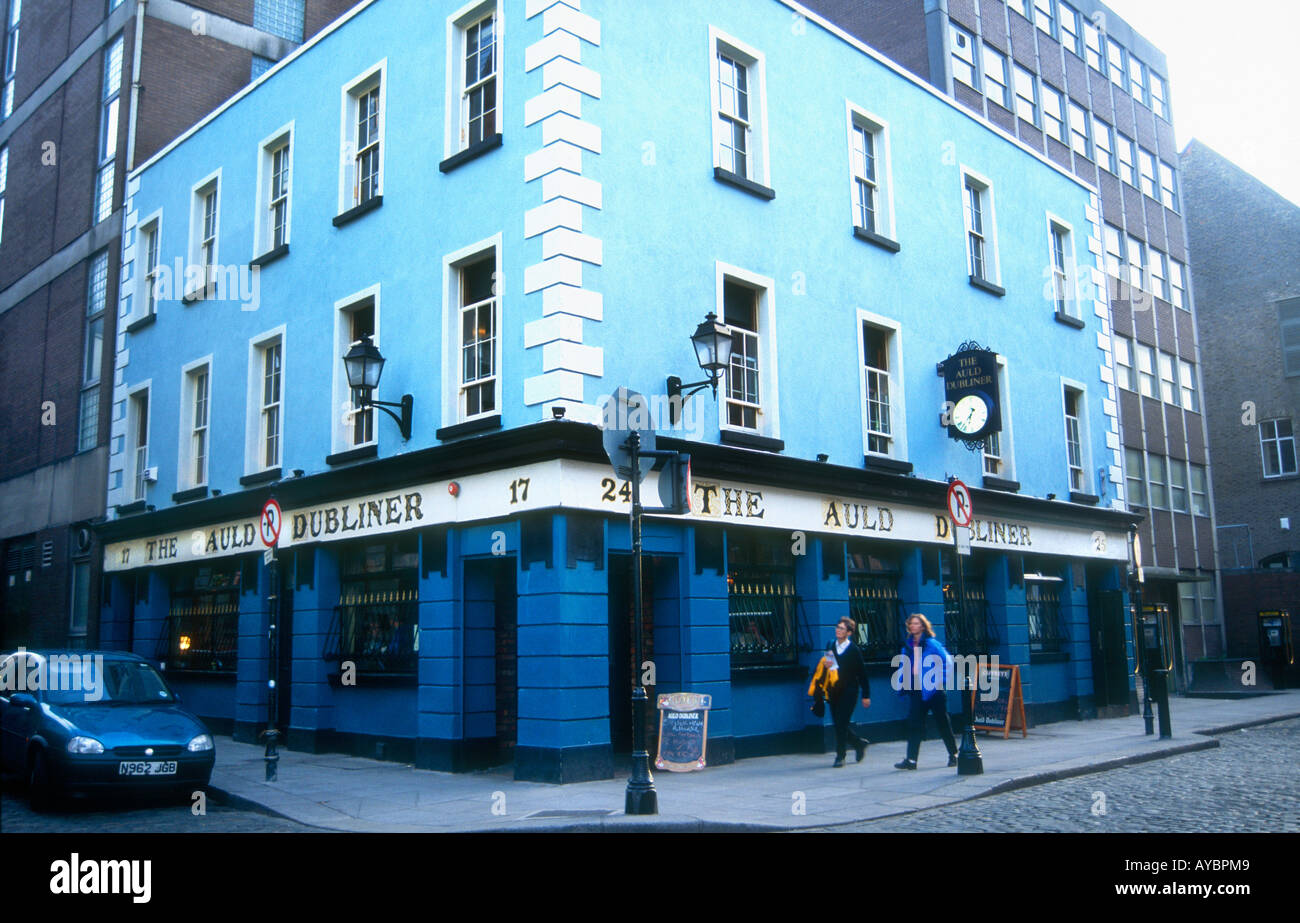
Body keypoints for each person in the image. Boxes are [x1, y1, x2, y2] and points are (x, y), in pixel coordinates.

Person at [894, 613, 958, 770]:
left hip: (934, 690)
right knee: (914, 724)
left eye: (916, 623)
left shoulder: (932, 644)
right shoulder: (907, 646)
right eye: (911, 623)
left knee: (942, 722)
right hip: (916, 690)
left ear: (922, 626)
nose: (912, 626)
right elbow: (904, 666)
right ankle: (911, 760)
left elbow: (948, 663)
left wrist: (938, 681)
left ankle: (954, 754)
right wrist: (902, 682)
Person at [826, 616, 871, 767]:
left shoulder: (853, 650)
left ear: (849, 632)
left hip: (850, 690)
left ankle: (840, 756)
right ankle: (858, 743)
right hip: (834, 690)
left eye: (842, 628)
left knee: (842, 722)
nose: (838, 630)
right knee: (838, 723)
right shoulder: (830, 645)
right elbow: (831, 669)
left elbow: (862, 673)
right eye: (837, 628)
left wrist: (866, 695)